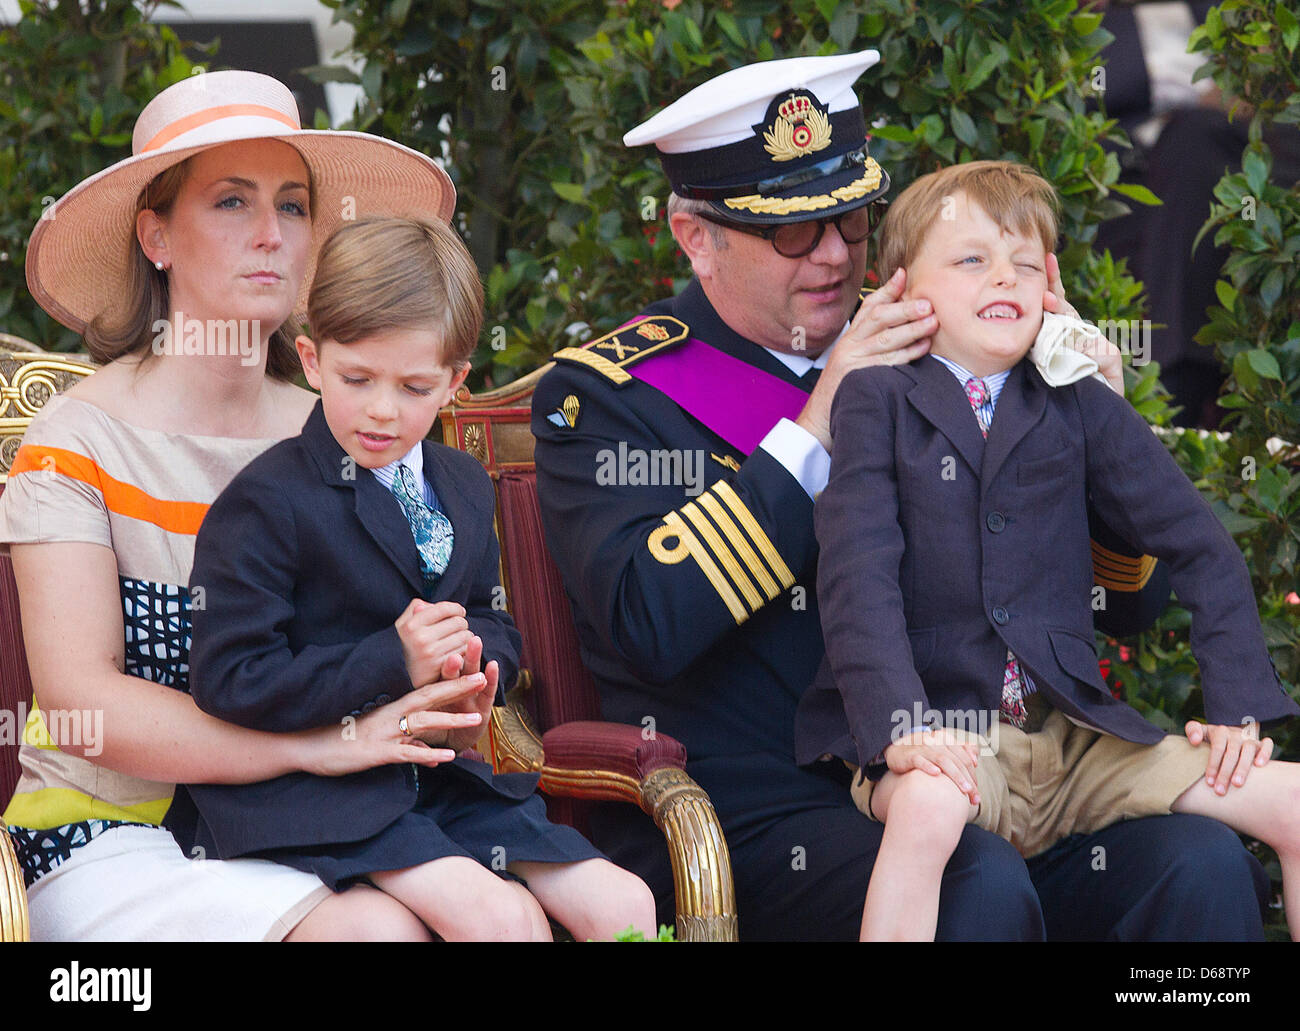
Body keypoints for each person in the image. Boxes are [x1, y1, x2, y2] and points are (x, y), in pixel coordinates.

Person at [531, 50, 1273, 941]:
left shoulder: (953, 351)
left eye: (849, 216)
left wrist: (1094, 426)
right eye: (794, 232)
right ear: (696, 237)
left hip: (987, 763)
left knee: (1196, 864)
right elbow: (648, 619)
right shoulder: (613, 396)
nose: (838, 254)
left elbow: (1129, 605)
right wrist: (814, 429)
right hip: (765, 805)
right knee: (976, 884)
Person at [0, 70, 503, 941]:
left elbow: (413, 632)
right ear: (155, 235)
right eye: (231, 202)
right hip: (114, 834)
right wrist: (318, 744)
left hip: (318, 816)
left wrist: (456, 685)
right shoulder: (76, 439)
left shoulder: (352, 430)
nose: (272, 234)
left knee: (485, 913)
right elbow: (88, 703)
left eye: (294, 206)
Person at [794, 160, 1300, 941]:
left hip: (1069, 743)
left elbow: (1197, 542)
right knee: (925, 808)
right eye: (972, 260)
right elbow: (857, 574)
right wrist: (903, 725)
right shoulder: (876, 397)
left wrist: (1235, 704)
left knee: (1292, 801)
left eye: (1026, 263)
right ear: (897, 289)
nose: (1006, 277)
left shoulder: (1079, 398)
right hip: (944, 731)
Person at [175, 216, 656, 941]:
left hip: (434, 778)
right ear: (310, 358)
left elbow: (489, 614)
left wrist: (478, 660)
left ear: (455, 382)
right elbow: (229, 678)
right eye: (357, 378)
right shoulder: (266, 501)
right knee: (502, 918)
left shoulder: (462, 482)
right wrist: (391, 658)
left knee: (626, 904)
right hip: (310, 793)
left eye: (413, 386)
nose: (380, 410)